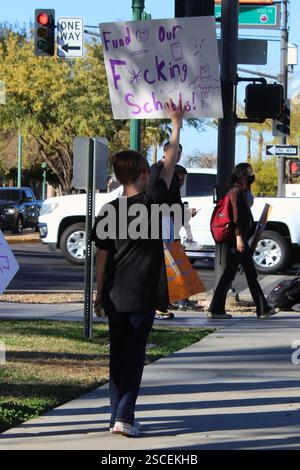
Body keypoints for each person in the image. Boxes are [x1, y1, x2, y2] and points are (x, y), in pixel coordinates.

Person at [91, 98, 185, 437]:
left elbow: (102, 256)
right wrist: (176, 123)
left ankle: (117, 414)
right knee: (134, 359)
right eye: (149, 172)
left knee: (119, 358)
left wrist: (99, 293)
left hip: (115, 295)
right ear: (144, 175)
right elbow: (171, 164)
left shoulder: (108, 210)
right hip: (142, 296)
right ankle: (124, 418)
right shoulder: (152, 202)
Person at [207, 162, 278, 320]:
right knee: (230, 274)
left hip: (239, 239)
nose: (252, 174)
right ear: (241, 174)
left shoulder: (241, 190)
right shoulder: (236, 191)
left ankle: (262, 308)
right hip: (235, 239)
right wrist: (239, 238)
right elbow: (237, 217)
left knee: (247, 273)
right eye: (248, 172)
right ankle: (216, 309)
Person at [149, 147, 198, 319]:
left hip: (168, 221)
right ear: (166, 152)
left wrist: (183, 213)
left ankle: (167, 300)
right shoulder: (156, 169)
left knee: (170, 263)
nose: (178, 157)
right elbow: (153, 195)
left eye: (179, 154)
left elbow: (175, 200)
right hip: (158, 219)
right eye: (175, 153)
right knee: (161, 264)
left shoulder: (174, 175)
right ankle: (157, 305)